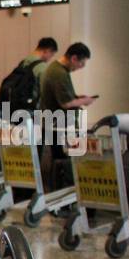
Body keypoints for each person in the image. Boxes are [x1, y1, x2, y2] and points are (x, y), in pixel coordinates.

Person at [39, 43, 98, 188]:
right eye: (82, 63)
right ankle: (61, 196)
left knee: (58, 160)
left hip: (52, 123)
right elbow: (65, 103)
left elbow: (62, 96)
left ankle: (58, 194)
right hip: (59, 125)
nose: (81, 67)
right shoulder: (59, 73)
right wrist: (85, 101)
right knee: (62, 162)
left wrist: (77, 97)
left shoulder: (55, 69)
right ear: (74, 58)